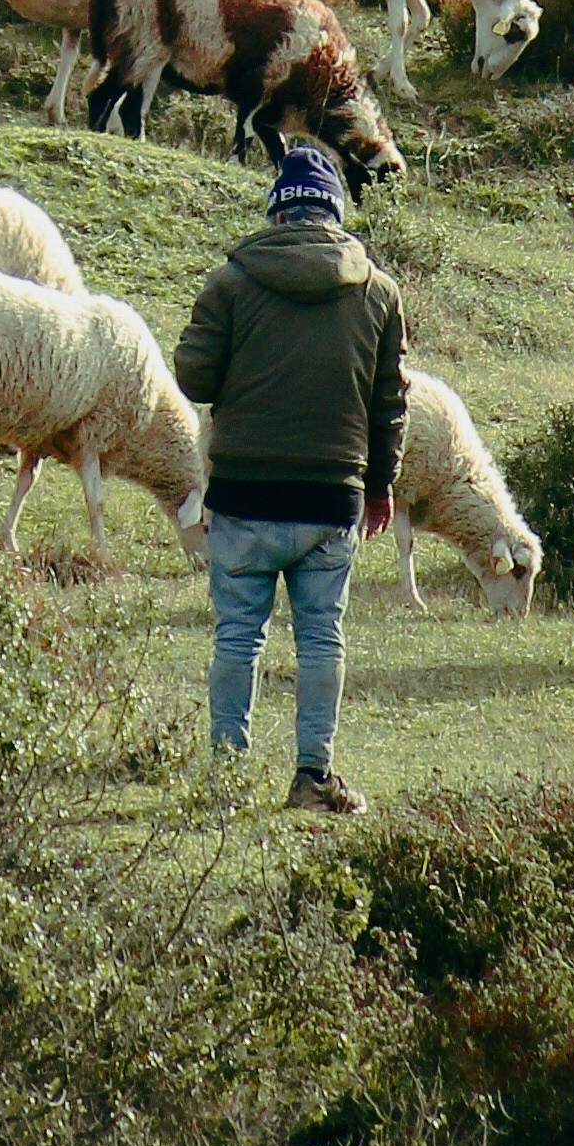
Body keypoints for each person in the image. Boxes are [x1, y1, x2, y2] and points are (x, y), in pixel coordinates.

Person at [173, 135, 406, 816]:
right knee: (321, 637)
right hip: (332, 497)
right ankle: (313, 777)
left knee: (237, 637)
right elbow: (391, 403)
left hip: (243, 494)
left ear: (276, 213)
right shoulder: (379, 293)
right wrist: (382, 485)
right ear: (335, 214)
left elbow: (192, 375)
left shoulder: (231, 282)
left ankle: (225, 781)